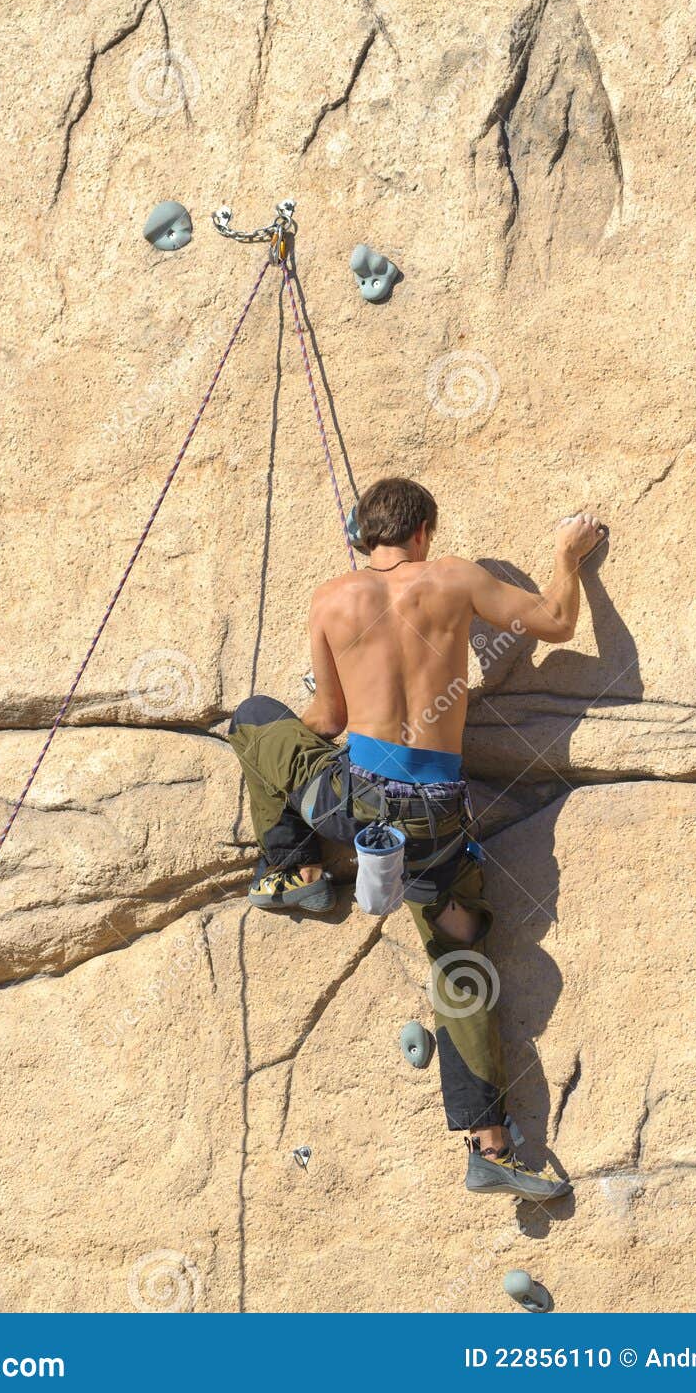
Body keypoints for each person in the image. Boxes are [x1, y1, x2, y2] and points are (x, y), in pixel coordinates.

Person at [227, 477, 607, 1198]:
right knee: (460, 962)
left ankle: (292, 872)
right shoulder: (456, 578)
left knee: (252, 714)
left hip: (353, 805)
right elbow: (556, 624)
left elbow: (327, 717)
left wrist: (274, 759)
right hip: (436, 820)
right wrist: (568, 553)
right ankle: (491, 1145)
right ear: (425, 529)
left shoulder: (331, 598)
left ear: (362, 535)